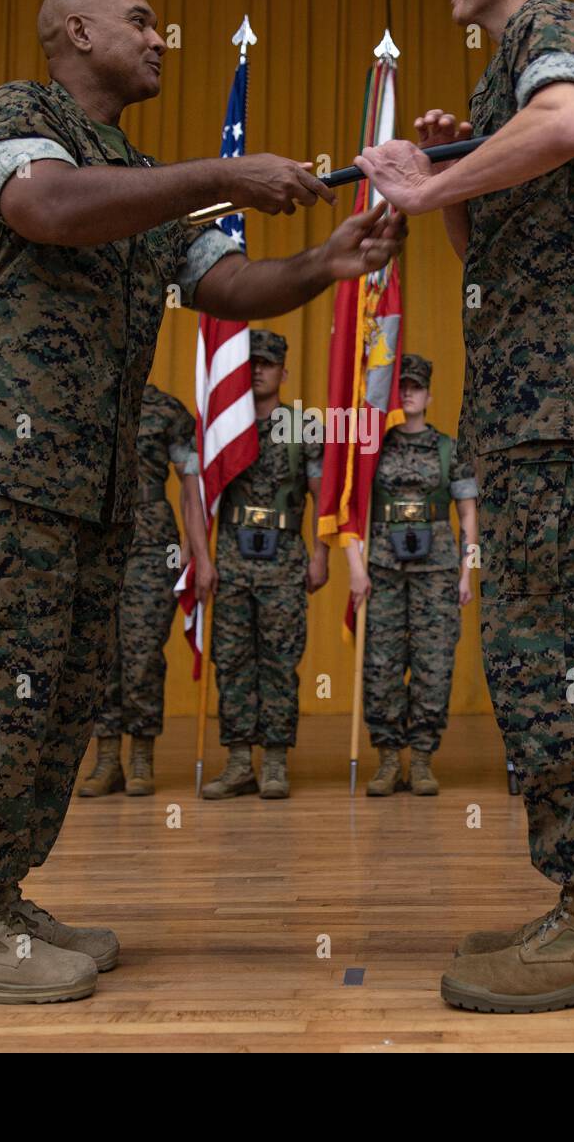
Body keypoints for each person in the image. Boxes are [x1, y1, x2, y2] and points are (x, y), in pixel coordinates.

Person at [0, 0, 406, 1004]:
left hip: (92, 475)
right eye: (140, 21)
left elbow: (226, 286)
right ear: (74, 32)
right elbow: (44, 206)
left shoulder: (140, 173)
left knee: (57, 692)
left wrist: (325, 259)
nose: (161, 37)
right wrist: (222, 171)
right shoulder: (18, 117)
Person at [355, 0, 574, 1014]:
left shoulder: (552, 29)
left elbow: (572, 126)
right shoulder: (502, 74)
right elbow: (492, 233)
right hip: (533, 395)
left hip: (567, 393)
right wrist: (451, 179)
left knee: (558, 637)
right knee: (533, 640)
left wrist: (434, 174)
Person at [343, 354, 477, 796]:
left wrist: (466, 572)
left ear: (429, 395)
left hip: (437, 573)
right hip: (382, 570)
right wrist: (357, 569)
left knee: (433, 666)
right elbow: (351, 509)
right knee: (380, 665)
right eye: (402, 387)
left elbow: (468, 513)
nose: (408, 393)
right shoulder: (372, 447)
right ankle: (386, 760)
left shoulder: (449, 449)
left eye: (416, 387)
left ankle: (420, 759)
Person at [201, 330, 326, 801]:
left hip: (284, 558)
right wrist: (202, 557)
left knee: (279, 659)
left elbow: (319, 495)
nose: (258, 370)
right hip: (232, 558)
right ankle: (237, 762)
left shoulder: (304, 424)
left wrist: (320, 554)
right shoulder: (225, 424)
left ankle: (274, 760)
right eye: (252, 362)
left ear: (283, 372)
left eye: (268, 363)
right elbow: (203, 494)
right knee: (231, 661)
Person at [79, 382, 211, 798]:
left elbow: (192, 487)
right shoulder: (86, 397)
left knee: (142, 654)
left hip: (155, 546)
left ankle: (141, 756)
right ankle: (106, 760)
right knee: (100, 655)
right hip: (95, 543)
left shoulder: (165, 408)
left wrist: (194, 551)